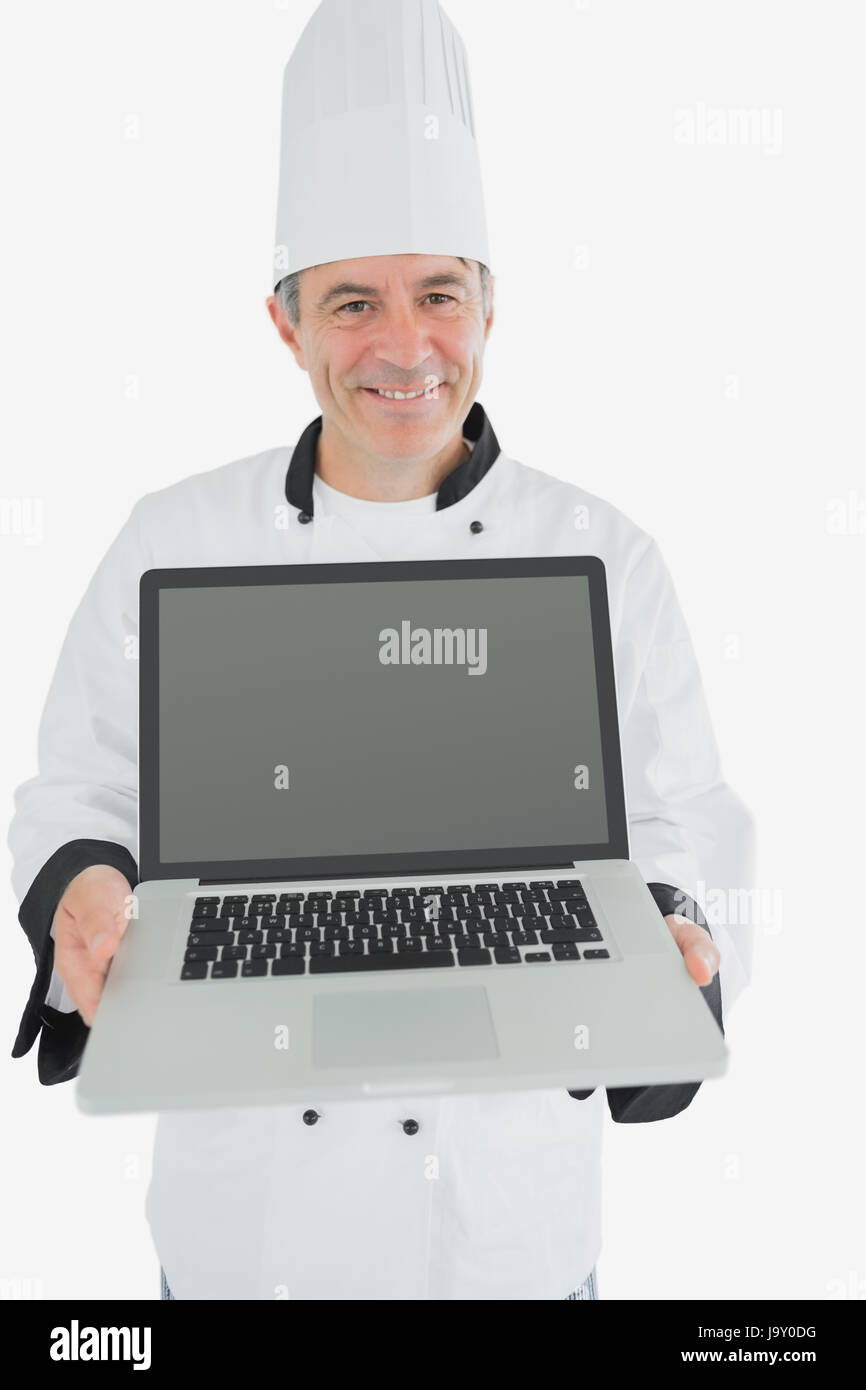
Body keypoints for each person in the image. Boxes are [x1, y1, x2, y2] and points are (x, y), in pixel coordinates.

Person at [8, 0, 755, 1300]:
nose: (404, 347)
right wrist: (83, 879)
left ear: (489, 307)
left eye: (438, 296)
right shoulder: (172, 536)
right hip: (247, 1249)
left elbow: (684, 816)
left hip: (509, 1245)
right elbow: (78, 785)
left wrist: (670, 928)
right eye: (352, 301)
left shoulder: (607, 553)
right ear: (284, 322)